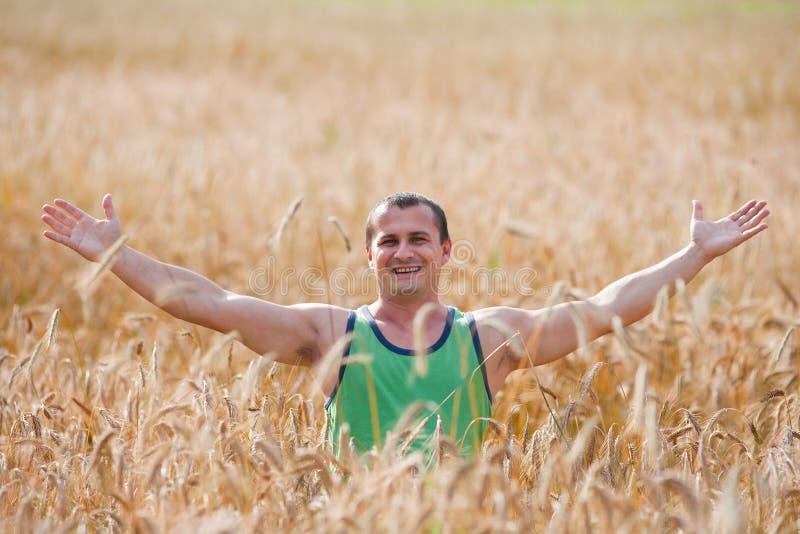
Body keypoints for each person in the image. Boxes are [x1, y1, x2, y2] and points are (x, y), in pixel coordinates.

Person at [41, 192, 770, 457]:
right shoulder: (331, 335)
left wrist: (694, 255)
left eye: (419, 238)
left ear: (446, 251)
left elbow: (609, 309)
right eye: (388, 240)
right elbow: (207, 304)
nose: (404, 250)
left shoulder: (488, 338)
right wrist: (119, 257)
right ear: (369, 255)